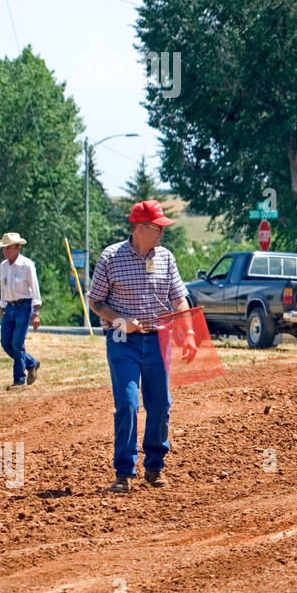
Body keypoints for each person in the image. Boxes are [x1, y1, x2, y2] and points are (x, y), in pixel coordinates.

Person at [87, 200, 196, 493]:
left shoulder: (167, 258)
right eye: (156, 227)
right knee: (128, 403)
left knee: (160, 405)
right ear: (139, 228)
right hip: (123, 340)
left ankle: (155, 467)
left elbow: (179, 299)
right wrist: (121, 320)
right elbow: (95, 302)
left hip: (159, 338)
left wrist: (188, 333)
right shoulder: (111, 257)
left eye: (162, 227)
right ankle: (123, 473)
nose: (161, 232)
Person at [0, 232, 41, 389]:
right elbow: (3, 288)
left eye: (8, 248)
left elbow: (34, 288)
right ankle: (31, 363)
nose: (5, 251)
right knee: (5, 342)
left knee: (17, 343)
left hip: (24, 306)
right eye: (4, 248)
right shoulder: (3, 266)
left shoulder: (27, 265)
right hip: (9, 307)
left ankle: (19, 380)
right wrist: (2, 308)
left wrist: (36, 313)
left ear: (17, 248)